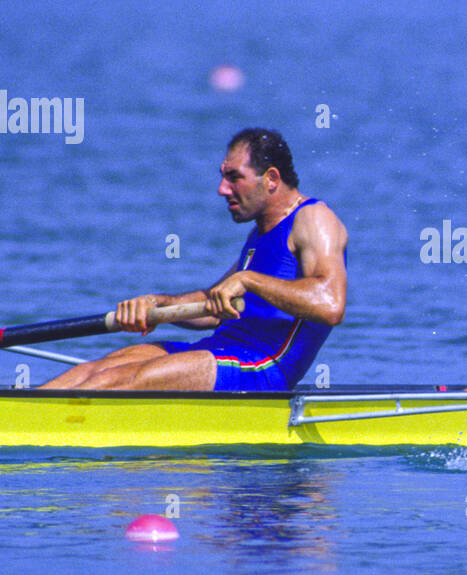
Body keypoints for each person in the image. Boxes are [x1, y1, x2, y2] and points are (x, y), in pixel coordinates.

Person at [41, 128, 347, 391]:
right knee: (101, 369)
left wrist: (247, 279)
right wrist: (157, 305)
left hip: (262, 368)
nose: (222, 189)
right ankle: (13, 412)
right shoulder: (259, 235)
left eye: (234, 178)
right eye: (222, 177)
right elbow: (213, 309)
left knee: (125, 378)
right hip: (220, 351)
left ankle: (36, 422)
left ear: (271, 178)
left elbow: (330, 305)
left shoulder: (314, 218)